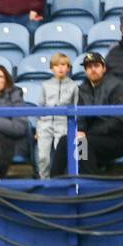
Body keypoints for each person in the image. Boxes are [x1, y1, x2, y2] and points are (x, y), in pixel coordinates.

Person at [47, 52, 123, 176]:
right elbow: (80, 117)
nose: (93, 70)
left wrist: (86, 134)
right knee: (65, 140)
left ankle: (91, 184)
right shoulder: (82, 89)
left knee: (83, 143)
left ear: (104, 68)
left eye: (96, 66)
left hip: (118, 137)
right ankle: (54, 183)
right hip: (92, 137)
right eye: (89, 67)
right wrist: (80, 131)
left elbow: (118, 121)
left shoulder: (117, 86)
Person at [34, 51, 77, 179]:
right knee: (43, 157)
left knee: (62, 155)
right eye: (57, 65)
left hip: (64, 124)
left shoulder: (74, 86)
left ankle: (64, 181)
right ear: (52, 68)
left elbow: (76, 108)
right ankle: (44, 183)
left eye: (64, 65)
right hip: (45, 124)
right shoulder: (45, 85)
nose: (60, 68)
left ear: (68, 68)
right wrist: (37, 128)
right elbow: (40, 107)